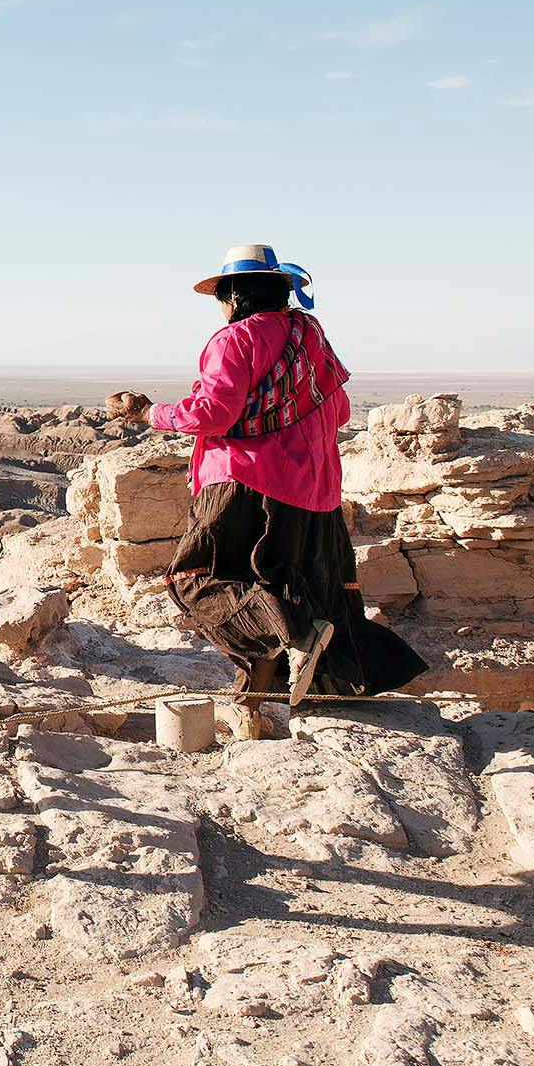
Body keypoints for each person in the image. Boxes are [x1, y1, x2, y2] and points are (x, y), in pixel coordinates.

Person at [107, 245, 425, 728]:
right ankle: (255, 702)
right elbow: (337, 410)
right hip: (316, 489)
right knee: (278, 585)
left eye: (221, 296)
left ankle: (297, 635)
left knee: (196, 579)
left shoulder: (234, 340)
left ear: (235, 296)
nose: (220, 307)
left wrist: (147, 413)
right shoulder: (310, 337)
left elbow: (213, 414)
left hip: (246, 482)